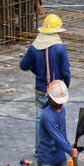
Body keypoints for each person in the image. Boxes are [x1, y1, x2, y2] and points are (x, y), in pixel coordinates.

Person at [20, 13, 70, 149]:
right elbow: (66, 72)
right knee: (59, 117)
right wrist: (65, 87)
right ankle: (61, 147)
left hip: (41, 88)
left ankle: (39, 148)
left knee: (39, 119)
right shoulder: (60, 49)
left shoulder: (34, 48)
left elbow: (23, 65)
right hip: (57, 90)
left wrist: (35, 69)